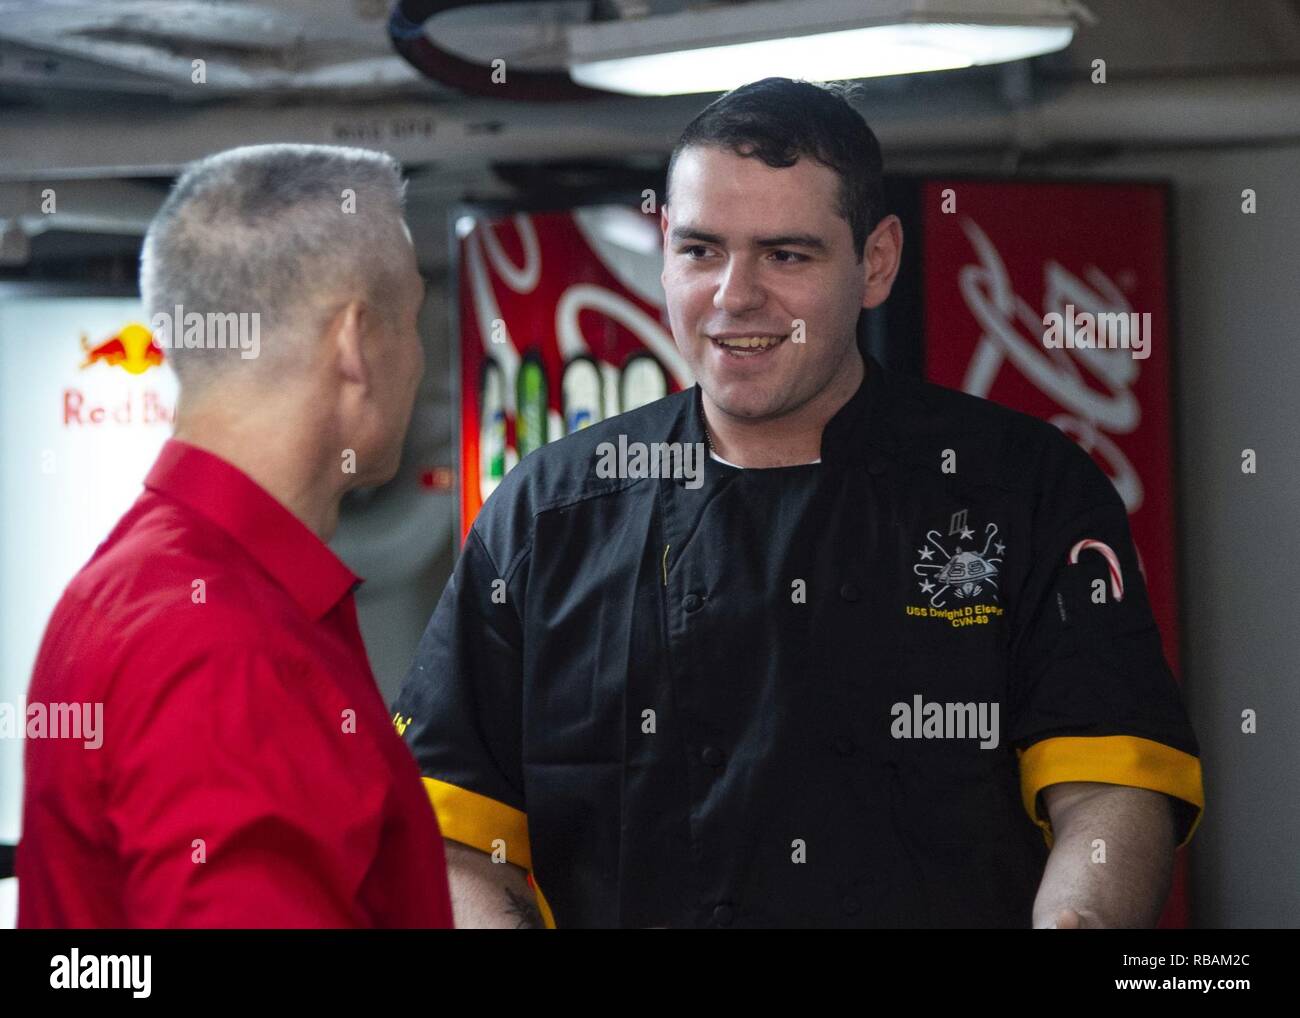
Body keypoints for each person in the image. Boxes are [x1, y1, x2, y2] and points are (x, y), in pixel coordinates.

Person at [393, 78, 1203, 928]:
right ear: (664, 245)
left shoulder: (1024, 488)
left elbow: (1112, 792)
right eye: (702, 250)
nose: (735, 297)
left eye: (786, 254)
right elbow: (452, 834)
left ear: (876, 262)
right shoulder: (544, 515)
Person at [19, 144, 453, 928]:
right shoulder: (224, 645)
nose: (420, 359)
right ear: (355, 342)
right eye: (413, 320)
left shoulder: (133, 582)